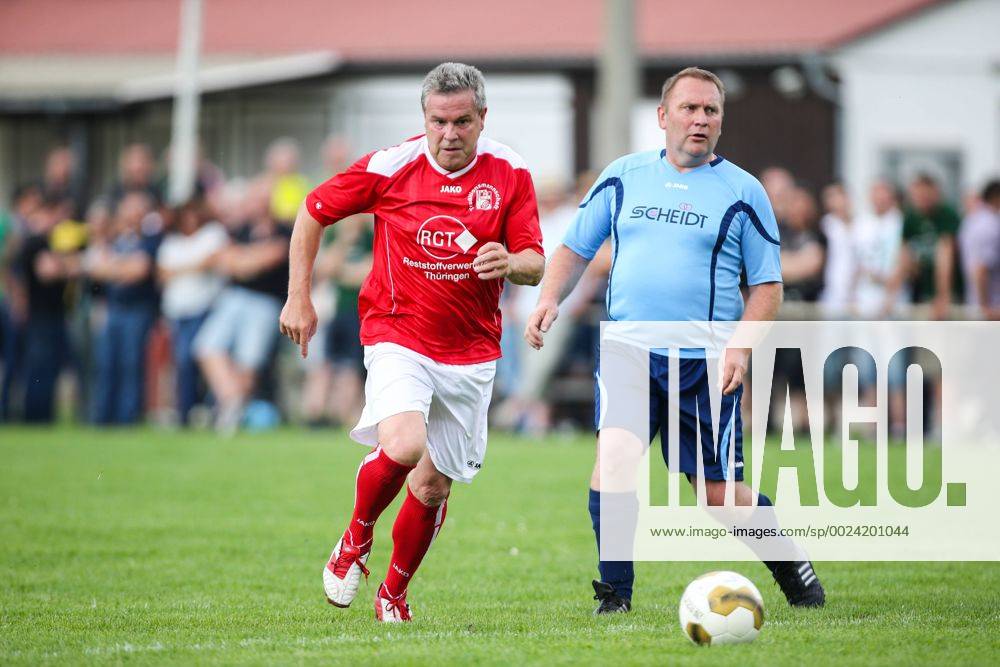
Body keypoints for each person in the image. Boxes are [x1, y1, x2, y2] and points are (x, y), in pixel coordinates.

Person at [524, 67, 825, 614]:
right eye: (689, 108)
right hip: (628, 351)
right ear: (663, 117)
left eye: (710, 110)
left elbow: (768, 287)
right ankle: (615, 595)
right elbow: (575, 248)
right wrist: (549, 298)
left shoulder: (743, 191)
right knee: (613, 459)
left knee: (718, 499)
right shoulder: (623, 176)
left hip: (705, 361)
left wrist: (740, 347)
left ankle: (792, 566)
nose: (700, 119)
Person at [279, 62, 544, 622]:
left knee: (431, 488)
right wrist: (298, 296)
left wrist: (510, 261)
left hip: (471, 351)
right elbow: (311, 212)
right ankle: (355, 538)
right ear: (424, 118)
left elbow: (535, 263)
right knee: (401, 445)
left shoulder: (511, 172)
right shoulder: (390, 166)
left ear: (482, 118)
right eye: (438, 121)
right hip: (397, 332)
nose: (449, 134)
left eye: (462, 122)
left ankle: (393, 594)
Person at [156, 198, 228, 425]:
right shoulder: (171, 242)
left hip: (205, 308)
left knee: (196, 358)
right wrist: (193, 265)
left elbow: (211, 261)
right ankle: (185, 411)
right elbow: (162, 274)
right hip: (178, 311)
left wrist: (179, 268)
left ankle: (205, 409)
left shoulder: (213, 234)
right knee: (181, 362)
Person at [891, 173, 961, 319]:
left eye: (924, 196)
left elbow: (945, 259)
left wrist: (943, 296)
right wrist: (890, 295)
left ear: (935, 193)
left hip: (951, 290)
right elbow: (903, 257)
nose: (920, 200)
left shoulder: (946, 214)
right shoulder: (911, 217)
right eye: (916, 196)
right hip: (922, 290)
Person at [958, 179, 1000, 318]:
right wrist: (985, 308)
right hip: (991, 308)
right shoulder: (992, 226)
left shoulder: (970, 221)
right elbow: (981, 269)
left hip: (973, 303)